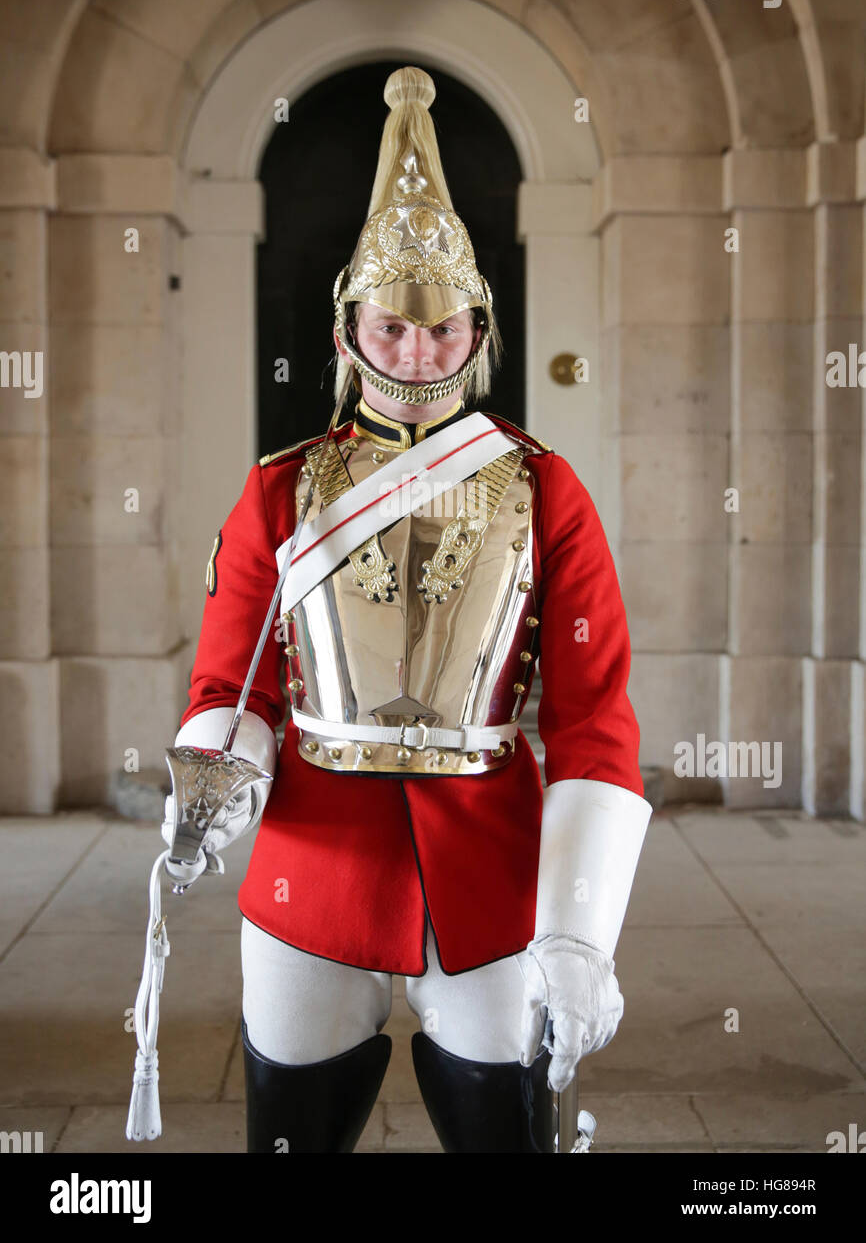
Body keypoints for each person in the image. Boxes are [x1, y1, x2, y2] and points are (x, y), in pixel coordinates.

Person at [167, 65, 652, 1153]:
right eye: (391, 330)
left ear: (476, 336)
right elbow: (226, 687)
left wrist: (576, 931)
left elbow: (594, 731)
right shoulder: (279, 488)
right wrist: (209, 794)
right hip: (312, 856)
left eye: (442, 334)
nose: (415, 358)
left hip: (486, 868)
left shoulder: (544, 487)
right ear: (346, 335)